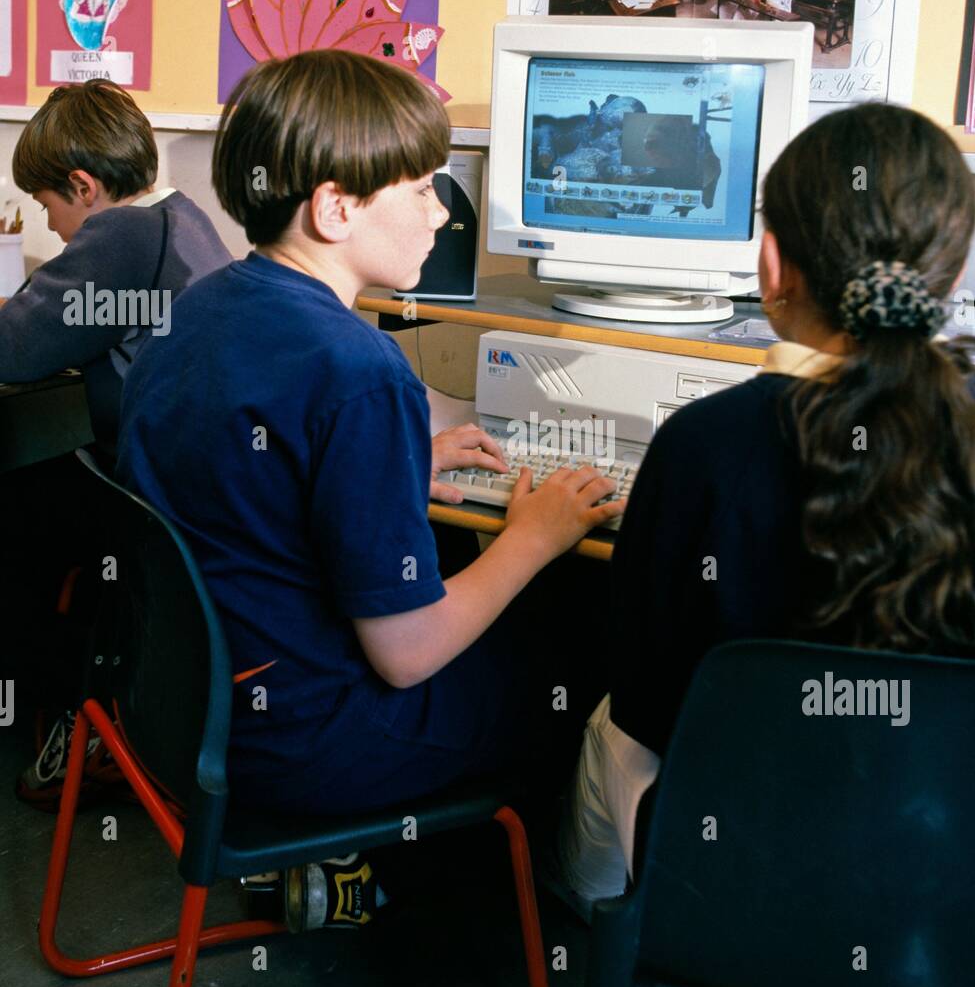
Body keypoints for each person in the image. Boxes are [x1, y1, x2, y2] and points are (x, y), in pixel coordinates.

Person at [558, 101, 975, 905]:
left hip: (744, 887)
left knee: (610, 722)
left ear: (772, 265)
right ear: (952, 279)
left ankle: (599, 930)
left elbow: (650, 695)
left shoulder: (700, 447)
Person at [116, 50, 623, 818]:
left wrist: (380, 473)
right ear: (335, 210)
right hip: (306, 747)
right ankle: (499, 889)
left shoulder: (194, 309)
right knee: (576, 642)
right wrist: (536, 535)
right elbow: (408, 656)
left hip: (176, 715)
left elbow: (242, 489)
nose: (441, 213)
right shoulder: (360, 367)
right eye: (421, 189)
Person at [1, 80, 231, 804]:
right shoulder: (179, 218)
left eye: (50, 209)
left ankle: (77, 717)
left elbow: (13, 351)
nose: (55, 230)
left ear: (84, 186)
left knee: (17, 508)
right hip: (193, 487)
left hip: (152, 501)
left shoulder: (120, 235)